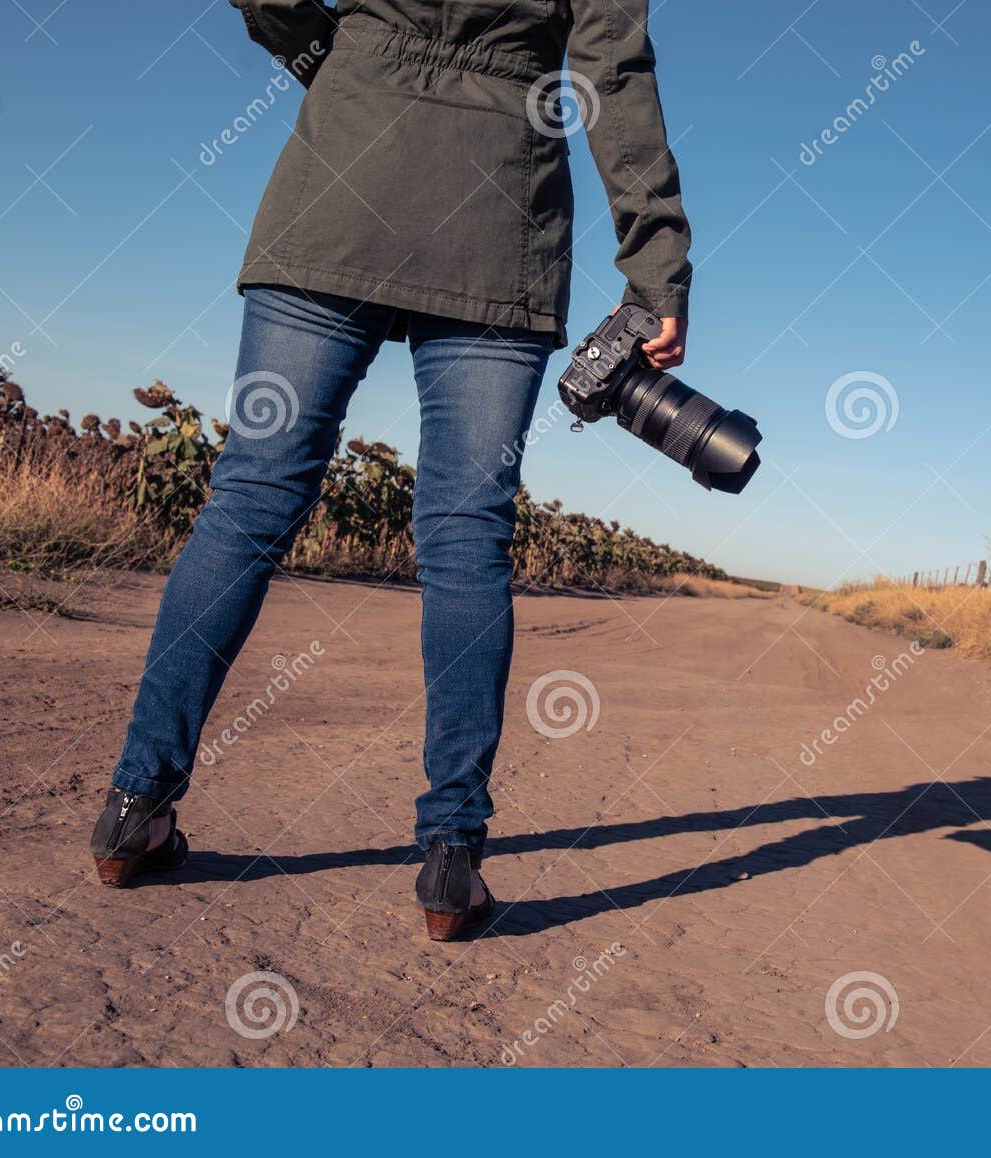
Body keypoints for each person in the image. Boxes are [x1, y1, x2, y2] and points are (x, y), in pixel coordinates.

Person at [88, 0, 692, 941]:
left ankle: (135, 809)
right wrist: (657, 269)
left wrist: (346, 62)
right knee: (466, 532)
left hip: (342, 173)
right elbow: (613, 68)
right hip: (500, 210)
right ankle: (451, 862)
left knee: (249, 499)